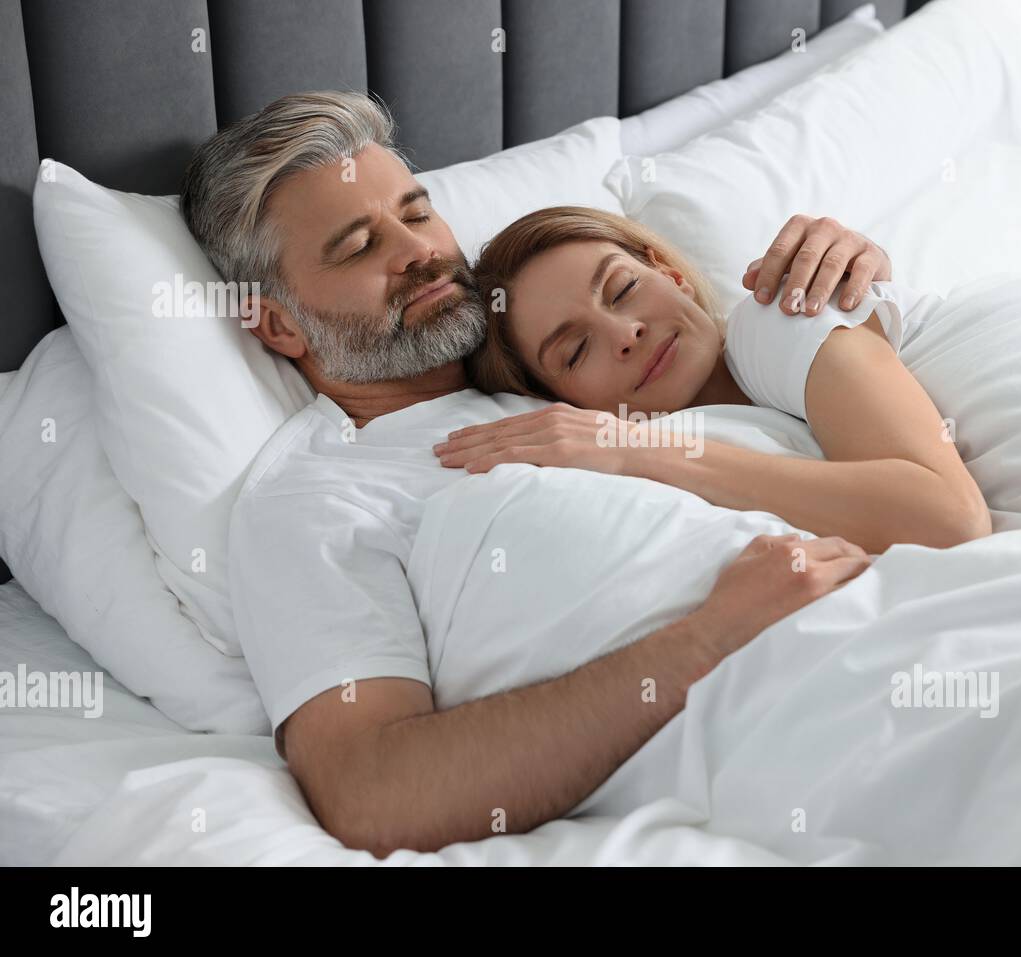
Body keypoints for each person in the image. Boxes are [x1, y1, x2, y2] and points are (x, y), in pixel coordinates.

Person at [180, 90, 893, 856]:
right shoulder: (315, 496)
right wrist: (708, 638)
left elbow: (761, 366)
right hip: (821, 719)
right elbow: (368, 789)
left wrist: (844, 281)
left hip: (898, 612)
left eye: (417, 214)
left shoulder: (567, 358)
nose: (417, 251)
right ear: (280, 322)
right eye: (358, 246)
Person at [443, 206, 990, 554]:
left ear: (670, 274)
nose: (626, 331)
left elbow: (949, 518)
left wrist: (636, 447)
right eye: (577, 350)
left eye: (622, 289)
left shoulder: (774, 319)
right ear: (562, 401)